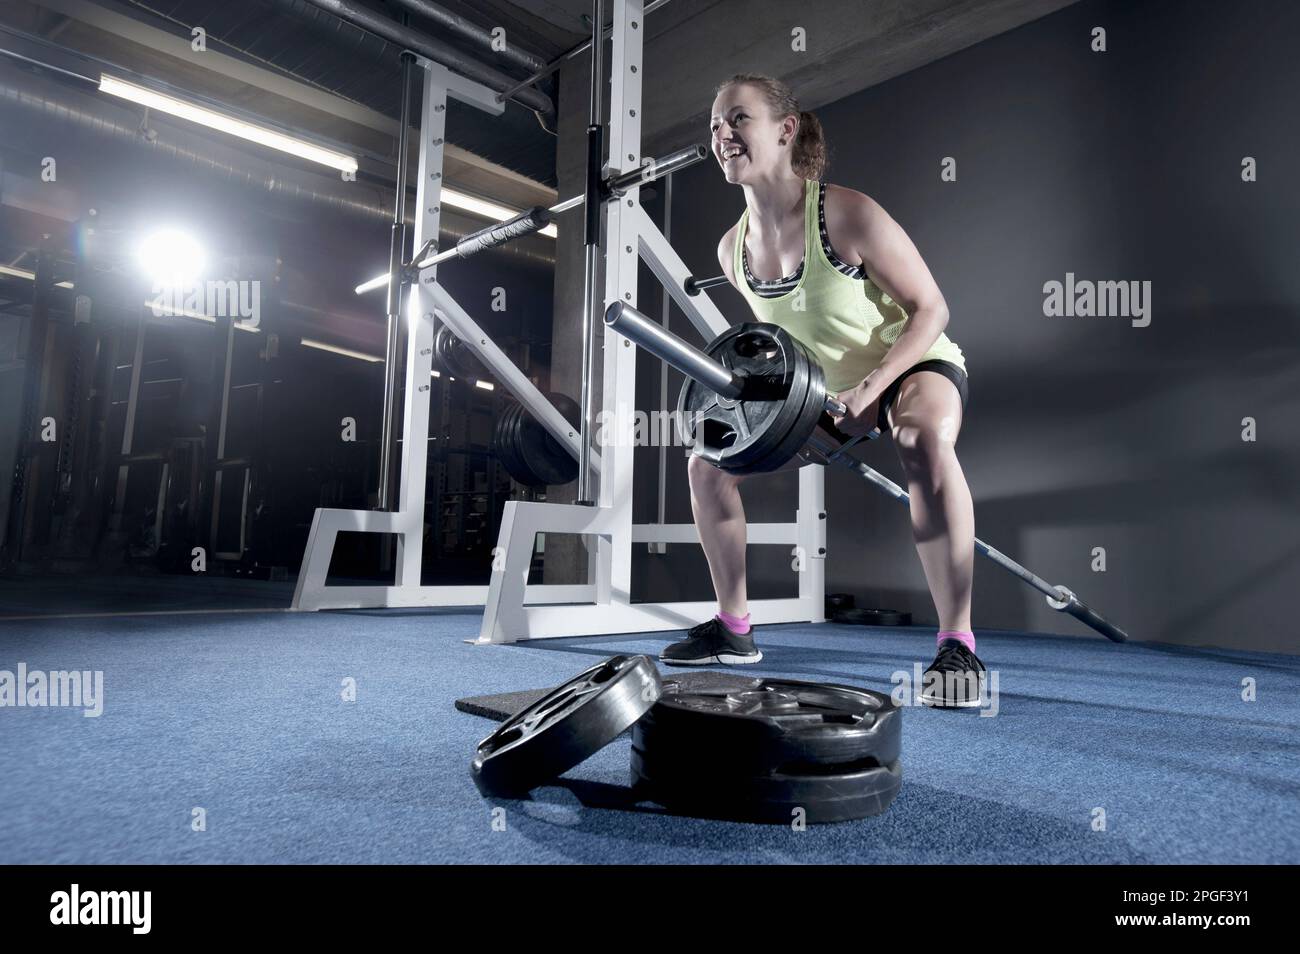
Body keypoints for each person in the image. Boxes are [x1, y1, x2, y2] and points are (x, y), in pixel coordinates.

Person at [660, 73, 985, 707]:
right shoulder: (732, 250)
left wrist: (874, 386)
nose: (721, 134)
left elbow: (930, 310)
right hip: (824, 397)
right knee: (707, 466)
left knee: (920, 439)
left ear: (784, 131)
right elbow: (777, 349)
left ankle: (958, 645)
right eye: (714, 126)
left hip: (909, 366)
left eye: (737, 119)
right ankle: (734, 628)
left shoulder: (845, 212)